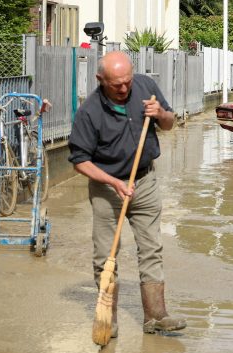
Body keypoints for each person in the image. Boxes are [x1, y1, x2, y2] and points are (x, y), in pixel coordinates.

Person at [69, 51, 187, 336]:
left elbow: (169, 123)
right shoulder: (89, 112)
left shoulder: (145, 87)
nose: (124, 88)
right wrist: (114, 182)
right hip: (107, 187)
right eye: (116, 84)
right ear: (100, 79)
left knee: (151, 248)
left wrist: (160, 114)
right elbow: (80, 162)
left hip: (144, 181)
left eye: (127, 81)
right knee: (105, 254)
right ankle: (107, 321)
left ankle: (156, 316)